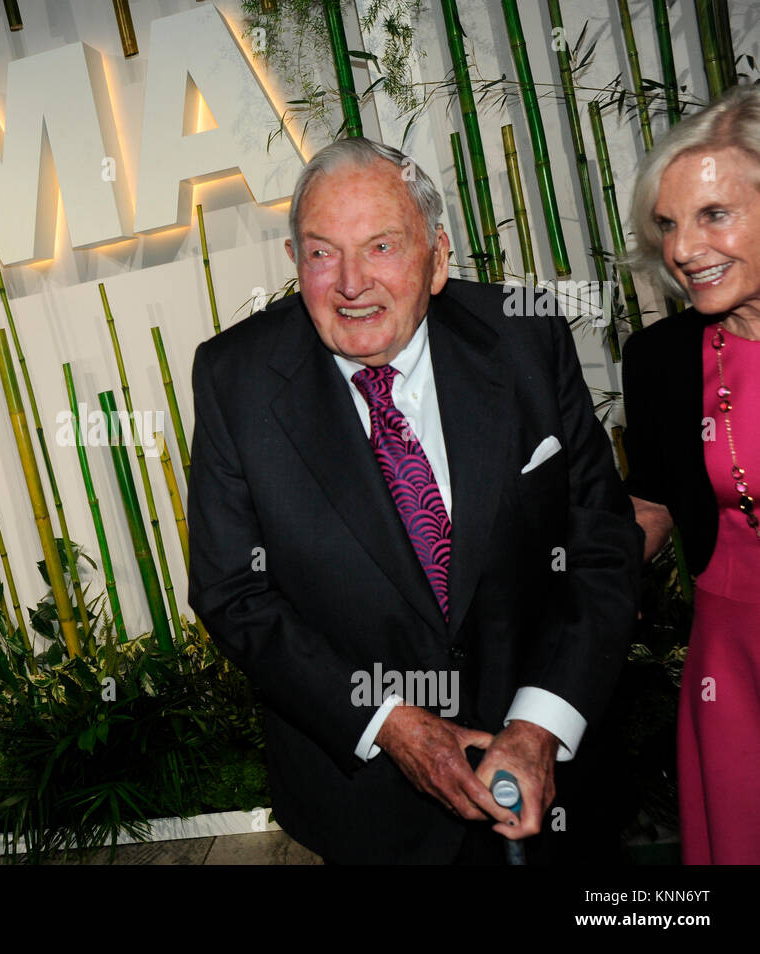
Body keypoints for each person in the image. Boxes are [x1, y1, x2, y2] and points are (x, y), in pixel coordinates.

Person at [187, 137, 642, 864]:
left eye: (382, 247)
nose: (351, 283)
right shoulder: (234, 380)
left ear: (438, 258)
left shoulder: (525, 336)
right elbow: (233, 591)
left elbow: (599, 546)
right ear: (294, 260)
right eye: (321, 253)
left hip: (554, 778)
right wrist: (391, 722)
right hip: (368, 807)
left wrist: (536, 727)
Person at [621, 84, 760, 865]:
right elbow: (651, 508)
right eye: (668, 225)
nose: (682, 249)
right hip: (733, 663)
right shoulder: (661, 361)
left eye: (714, 215)